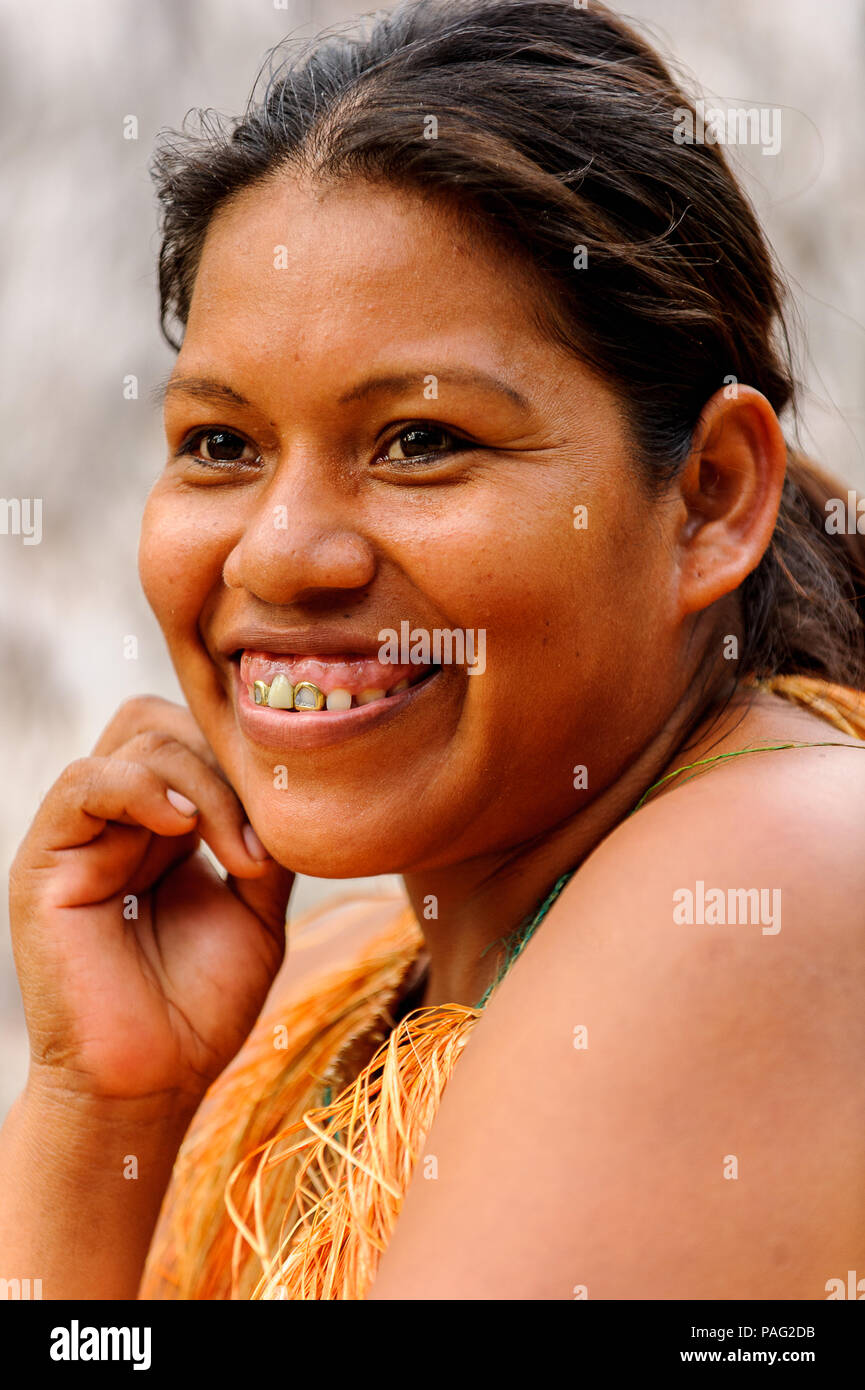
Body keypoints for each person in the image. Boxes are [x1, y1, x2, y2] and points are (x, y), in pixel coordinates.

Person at [2, 0, 864, 1301]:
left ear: (707, 499)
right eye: (221, 444)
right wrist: (104, 1103)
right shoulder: (329, 973)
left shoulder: (773, 872)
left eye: (419, 439)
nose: (280, 556)